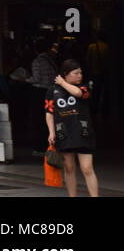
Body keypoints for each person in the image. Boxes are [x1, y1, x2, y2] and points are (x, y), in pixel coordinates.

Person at [46, 59, 98, 197]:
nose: (80, 75)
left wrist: (63, 83)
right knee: (69, 168)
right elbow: (49, 112)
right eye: (76, 73)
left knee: (87, 168)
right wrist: (51, 132)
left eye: (81, 73)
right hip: (64, 132)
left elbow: (78, 94)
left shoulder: (85, 87)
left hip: (83, 132)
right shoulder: (53, 90)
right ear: (66, 74)